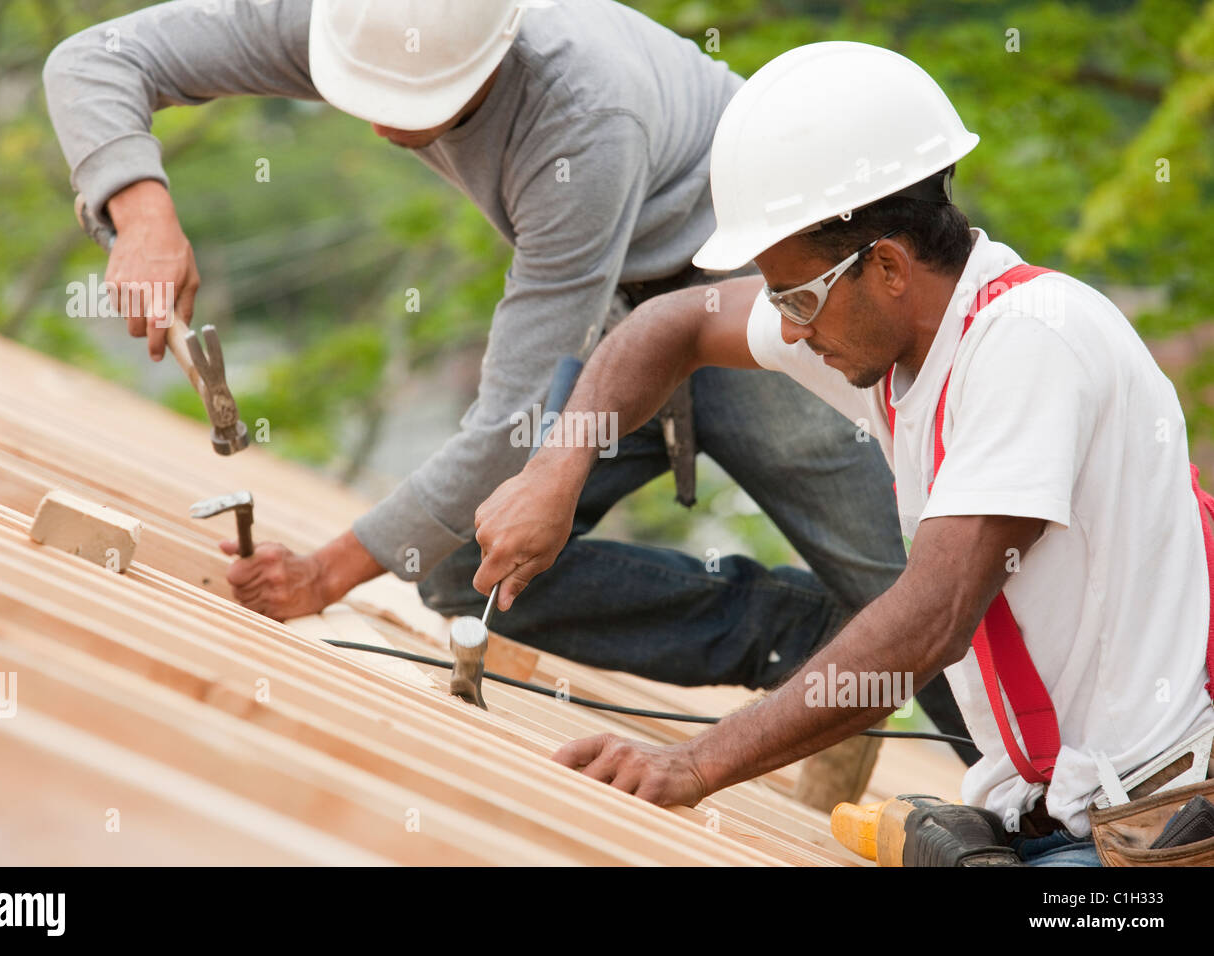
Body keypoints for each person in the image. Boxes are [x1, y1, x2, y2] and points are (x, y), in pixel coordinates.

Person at [43, 0, 972, 755]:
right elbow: (96, 59)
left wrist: (326, 573)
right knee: (459, 559)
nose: (383, 123)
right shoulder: (351, 21)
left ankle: (1043, 807)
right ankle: (806, 644)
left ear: (493, 60)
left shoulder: (584, 115)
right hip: (615, 310)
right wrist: (142, 210)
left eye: (421, 107)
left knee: (910, 596)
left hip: (759, 286)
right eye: (365, 95)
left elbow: (508, 426)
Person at [471, 41, 1214, 865]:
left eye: (795, 296)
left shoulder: (1033, 342)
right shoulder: (890, 339)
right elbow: (672, 325)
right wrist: (556, 468)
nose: (786, 328)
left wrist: (695, 762)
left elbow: (930, 620)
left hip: (1155, 824)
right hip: (1060, 814)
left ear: (889, 267)